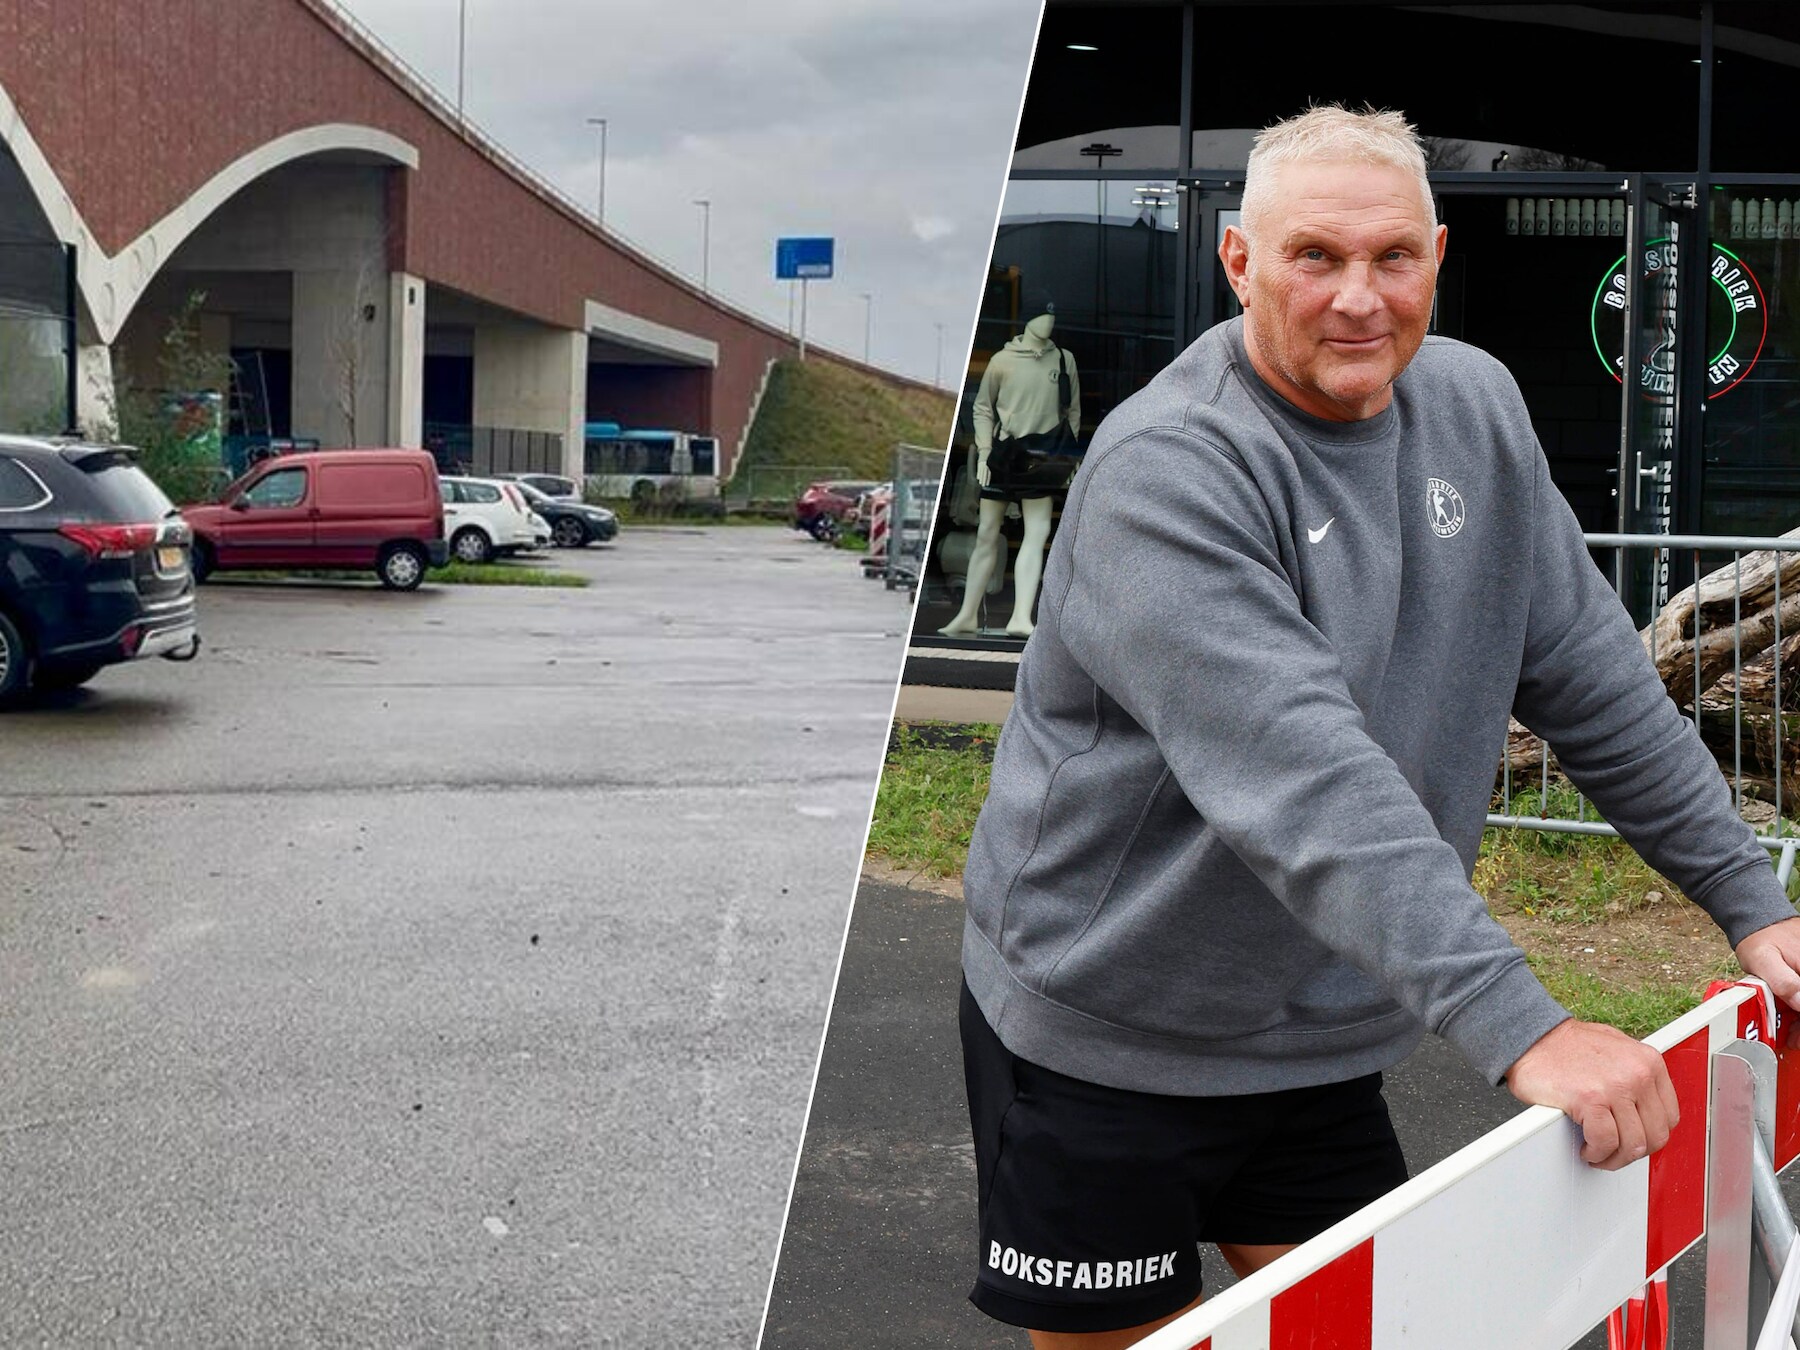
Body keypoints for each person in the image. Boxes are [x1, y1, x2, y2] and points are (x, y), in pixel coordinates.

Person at [958, 103, 1800, 1350]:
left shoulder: (1476, 405)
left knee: (1369, 1335)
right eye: (1316, 256)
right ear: (1240, 261)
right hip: (1110, 1031)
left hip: (1317, 1030)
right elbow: (1307, 782)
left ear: (1437, 258)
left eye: (1393, 257)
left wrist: (1751, 898)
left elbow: (1590, 677)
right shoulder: (1171, 470)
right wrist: (1526, 1025)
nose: (1360, 297)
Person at [939, 306, 1081, 638]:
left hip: (1042, 458)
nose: (1048, 323)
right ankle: (966, 615)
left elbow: (1073, 411)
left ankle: (1020, 617)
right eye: (1041, 317)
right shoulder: (1002, 361)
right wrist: (985, 452)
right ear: (1027, 321)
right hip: (1004, 454)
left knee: (1036, 534)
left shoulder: (1064, 360)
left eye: (1052, 318)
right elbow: (982, 407)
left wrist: (1068, 459)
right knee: (986, 533)